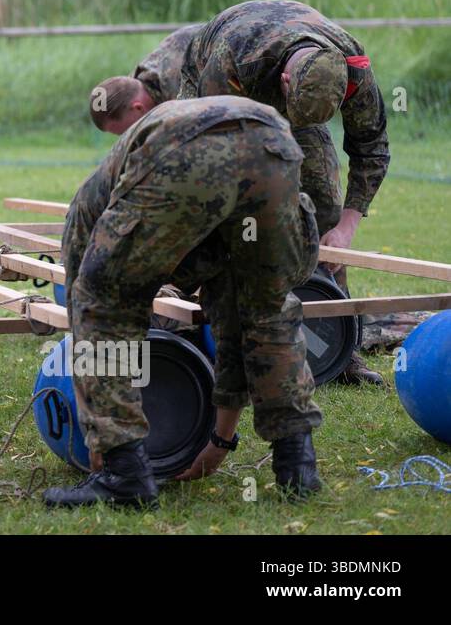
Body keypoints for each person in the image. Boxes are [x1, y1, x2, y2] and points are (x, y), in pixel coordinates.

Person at [45, 96, 323, 510]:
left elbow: (93, 307)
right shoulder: (188, 216)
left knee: (102, 302)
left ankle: (125, 477)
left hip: (186, 149)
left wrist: (103, 429)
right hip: (273, 147)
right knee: (266, 309)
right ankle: (297, 467)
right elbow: (234, 325)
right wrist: (220, 440)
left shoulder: (91, 206)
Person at [179, 0, 397, 381]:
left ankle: (338, 350)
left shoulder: (353, 69)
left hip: (294, 85)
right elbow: (211, 150)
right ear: (285, 84)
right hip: (219, 95)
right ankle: (186, 322)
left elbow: (372, 147)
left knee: (325, 205)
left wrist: (345, 227)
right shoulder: (234, 58)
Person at [88, 24, 202, 135]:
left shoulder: (181, 93)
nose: (129, 138)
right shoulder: (136, 85)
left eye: (128, 132)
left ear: (138, 108)